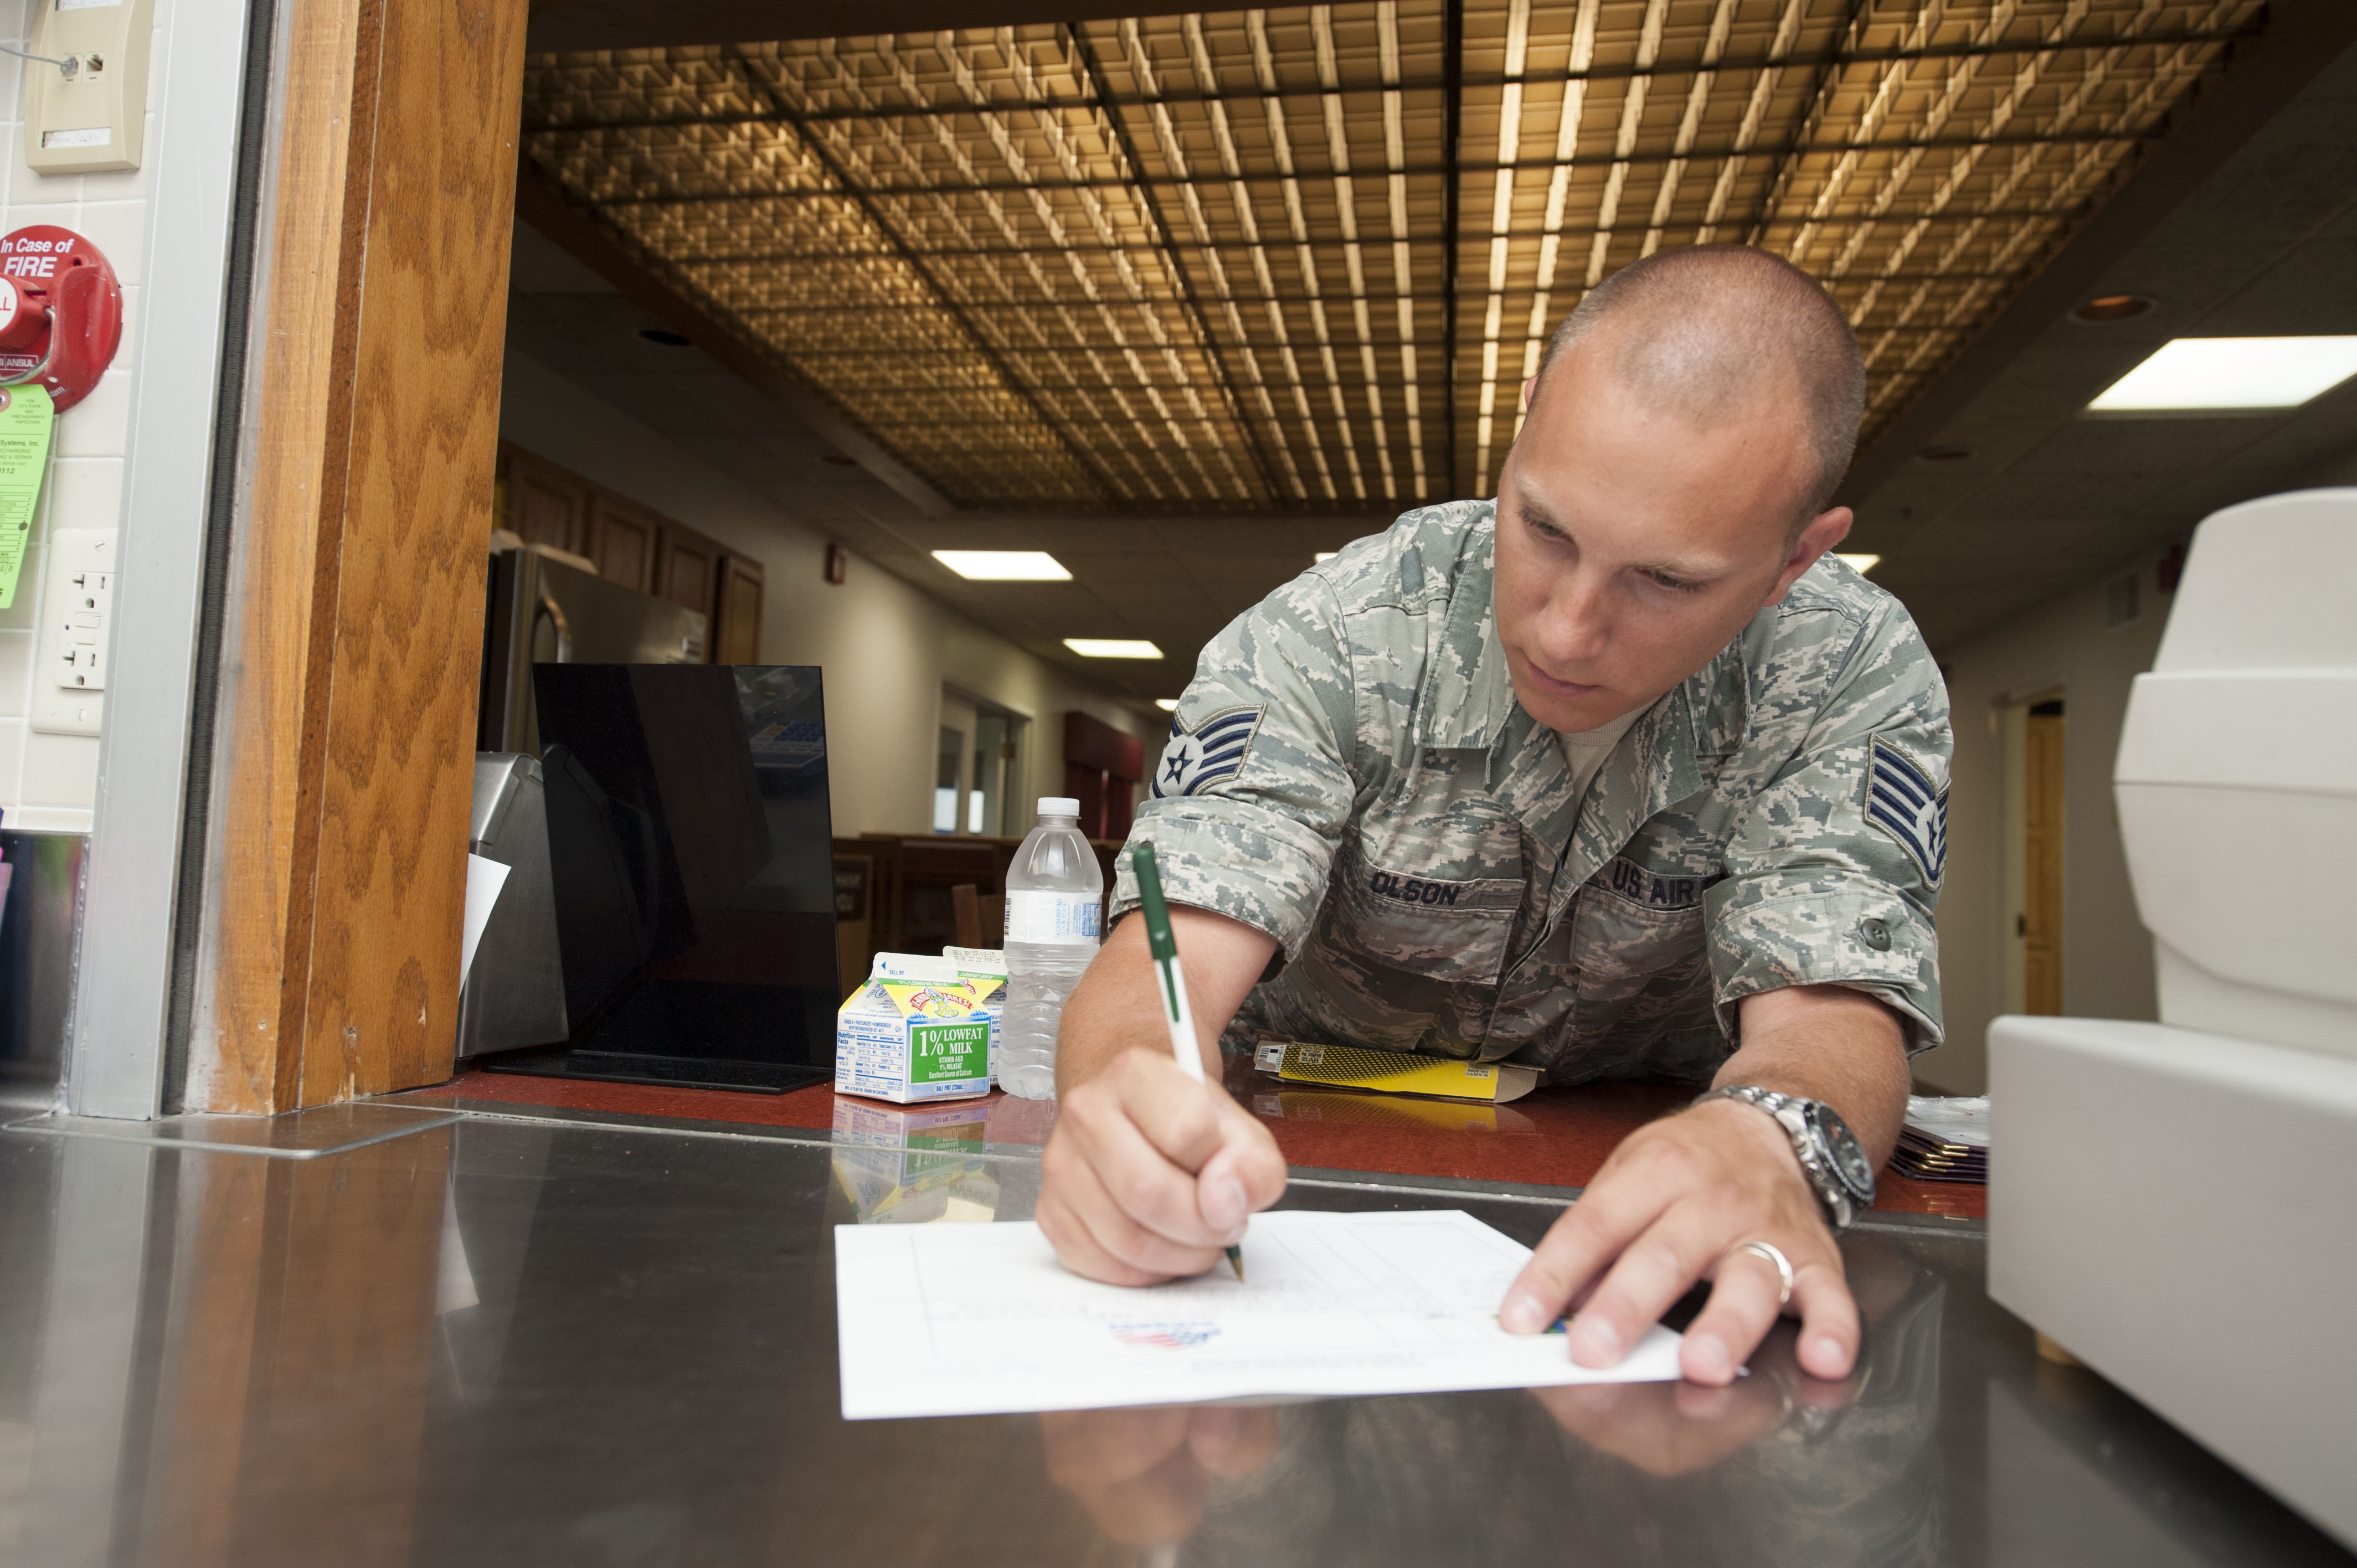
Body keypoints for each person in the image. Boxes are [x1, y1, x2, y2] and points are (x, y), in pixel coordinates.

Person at [1035, 245, 1952, 1388]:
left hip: (1662, 1193)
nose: (1566, 631)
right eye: (1546, 529)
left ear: (1793, 560)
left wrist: (1773, 1134)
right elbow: (1160, 970)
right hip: (1300, 1184)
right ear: (1523, 425)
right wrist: (1123, 1096)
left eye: (1663, 581)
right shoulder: (1337, 631)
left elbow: (1831, 1014)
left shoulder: (1843, 666)